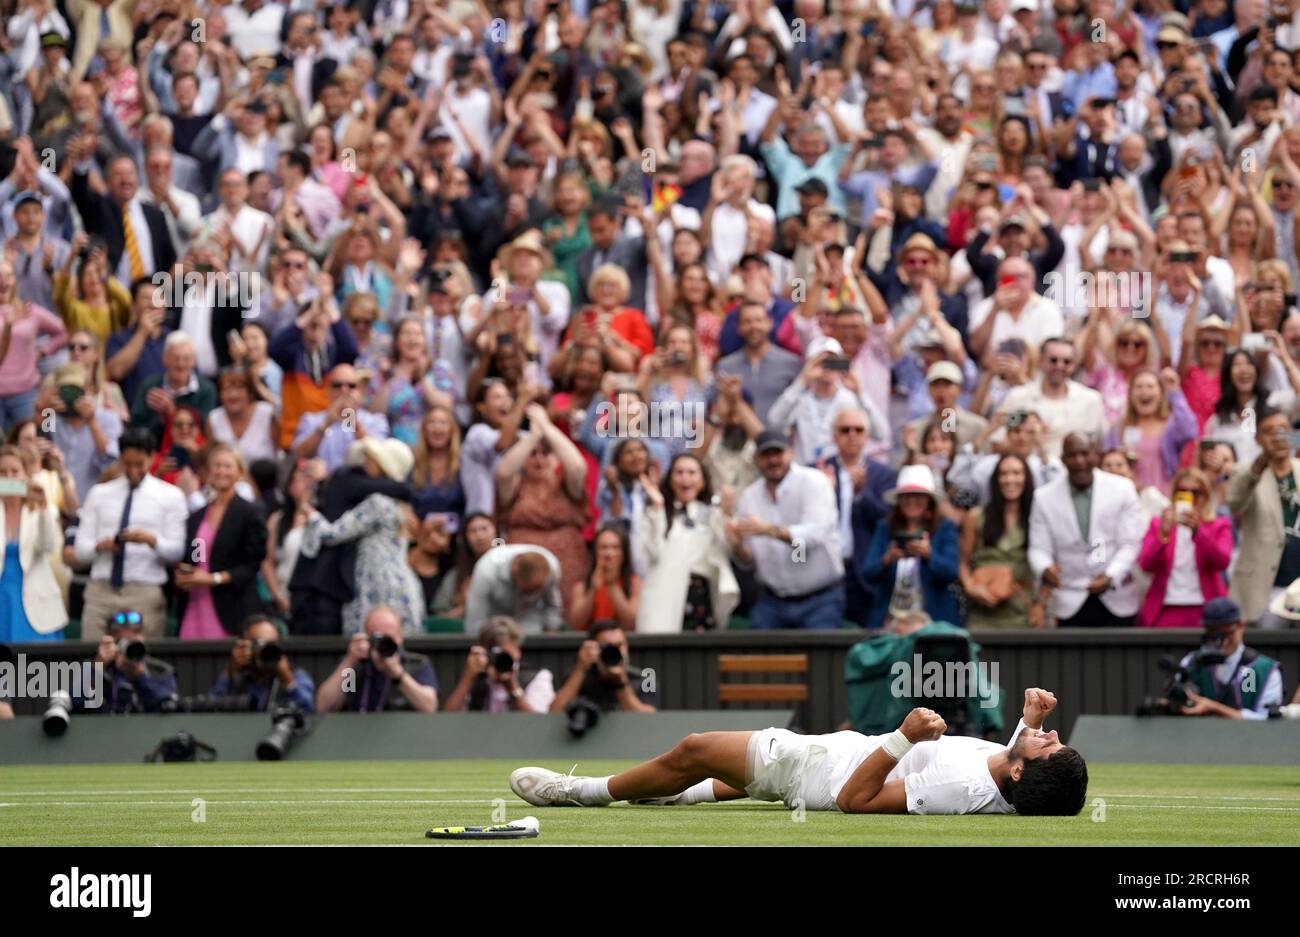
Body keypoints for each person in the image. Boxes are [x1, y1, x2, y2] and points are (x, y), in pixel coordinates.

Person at [511, 687, 1087, 817]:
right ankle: (679, 796)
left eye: (1049, 746)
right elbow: (1002, 767)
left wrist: (903, 736)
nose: (1052, 735)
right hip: (835, 752)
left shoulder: (957, 791)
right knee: (715, 774)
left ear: (1018, 772)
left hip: (821, 773)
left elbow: (853, 800)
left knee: (694, 747)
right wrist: (1026, 726)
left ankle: (581, 793)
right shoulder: (1009, 773)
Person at [300, 437, 425, 635]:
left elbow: (333, 534)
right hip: (399, 582)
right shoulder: (401, 504)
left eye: (372, 459)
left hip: (377, 585)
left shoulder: (378, 503)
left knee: (370, 643)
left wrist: (312, 515)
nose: (365, 463)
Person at [73, 427, 187, 639]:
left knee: (142, 659)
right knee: (93, 661)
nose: (133, 470)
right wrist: (101, 546)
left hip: (144, 590)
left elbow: (177, 552)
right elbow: (80, 550)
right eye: (127, 464)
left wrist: (152, 541)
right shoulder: (99, 494)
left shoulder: (171, 496)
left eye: (140, 464)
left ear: (152, 458)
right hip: (101, 589)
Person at [727, 429, 845, 630]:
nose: (773, 460)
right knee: (758, 658)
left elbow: (812, 536)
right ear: (756, 459)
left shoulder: (814, 482)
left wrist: (769, 530)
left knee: (820, 659)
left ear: (791, 452)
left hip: (820, 598)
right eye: (766, 455)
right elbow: (750, 561)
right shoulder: (750, 496)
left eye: (778, 453)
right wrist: (738, 545)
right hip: (773, 599)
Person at [1028, 433, 1143, 627]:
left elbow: (1129, 543)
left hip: (1117, 599)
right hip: (1069, 598)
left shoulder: (1122, 489)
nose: (1079, 461)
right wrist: (1045, 568)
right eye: (1072, 455)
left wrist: (1111, 575)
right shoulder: (1044, 497)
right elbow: (1039, 548)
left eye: (1084, 453)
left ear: (1096, 455)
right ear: (1063, 459)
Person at [494, 403, 590, 611]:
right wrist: (533, 437)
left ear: (555, 457)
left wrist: (546, 427)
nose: (539, 458)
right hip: (524, 566)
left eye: (545, 452)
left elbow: (577, 466)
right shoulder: (516, 486)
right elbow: (503, 472)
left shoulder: (566, 485)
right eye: (533, 454)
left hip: (568, 563)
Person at [637, 452, 739, 633]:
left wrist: (727, 514)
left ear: (702, 480)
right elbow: (654, 552)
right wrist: (657, 507)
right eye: (679, 472)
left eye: (692, 472)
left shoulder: (712, 514)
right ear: (670, 479)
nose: (685, 478)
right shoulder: (656, 511)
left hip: (701, 598)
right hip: (665, 598)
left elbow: (726, 550)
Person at [175, 444, 268, 638]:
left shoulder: (250, 513)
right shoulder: (198, 515)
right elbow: (196, 556)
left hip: (232, 604)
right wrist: (186, 575)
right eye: (216, 466)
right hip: (196, 602)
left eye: (227, 466)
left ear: (239, 472)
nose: (221, 471)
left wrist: (213, 579)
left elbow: (251, 565)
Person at [862, 464, 961, 631]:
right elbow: (868, 572)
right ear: (899, 500)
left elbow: (951, 571)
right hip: (890, 621)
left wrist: (929, 554)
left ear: (929, 501)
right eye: (906, 496)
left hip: (933, 619)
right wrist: (888, 559)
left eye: (918, 496)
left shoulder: (945, 528)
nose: (911, 501)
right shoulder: (885, 528)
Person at [1226, 406, 1300, 626]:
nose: (1278, 436)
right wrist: (1260, 463)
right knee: (1268, 652)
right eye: (1270, 431)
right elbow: (1235, 502)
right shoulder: (1246, 472)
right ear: (1258, 439)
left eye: (1283, 429)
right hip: (1265, 587)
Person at [1137, 468, 1233, 628]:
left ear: (1206, 496)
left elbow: (1222, 561)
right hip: (1166, 607)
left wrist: (1198, 533)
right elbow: (1145, 564)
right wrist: (1163, 535)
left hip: (1205, 608)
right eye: (1182, 492)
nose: (1190, 498)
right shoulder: (1159, 523)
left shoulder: (1219, 524)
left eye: (1195, 492)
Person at [1161, 598, 1286, 720]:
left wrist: (1215, 708)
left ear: (1241, 625)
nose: (1223, 642)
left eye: (1228, 634)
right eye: (1214, 635)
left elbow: (1267, 721)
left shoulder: (1259, 670)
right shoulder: (1192, 663)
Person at [959, 454, 1044, 629]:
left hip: (1021, 610)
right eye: (1004, 474)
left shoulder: (1038, 517)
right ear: (996, 479)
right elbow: (963, 562)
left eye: (1017, 473)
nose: (1010, 479)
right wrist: (970, 587)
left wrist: (1040, 604)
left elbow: (1051, 564)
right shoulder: (976, 516)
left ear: (1026, 478)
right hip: (982, 609)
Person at [315, 605, 440, 713]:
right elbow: (323, 707)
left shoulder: (415, 665)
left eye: (388, 639)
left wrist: (399, 675)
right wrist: (349, 661)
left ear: (400, 637)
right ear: (366, 637)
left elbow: (429, 708)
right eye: (378, 638)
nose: (382, 645)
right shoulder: (354, 669)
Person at [0, 444, 64, 641]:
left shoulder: (42, 510)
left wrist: (43, 507)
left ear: (26, 475)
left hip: (35, 597)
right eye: (2, 472)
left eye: (15, 471)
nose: (9, 477)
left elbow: (47, 546)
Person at [443, 615, 556, 712]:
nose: (501, 659)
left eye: (506, 654)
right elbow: (447, 721)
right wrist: (468, 678)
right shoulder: (477, 680)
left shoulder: (537, 677)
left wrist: (512, 687)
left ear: (518, 651)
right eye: (496, 653)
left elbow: (539, 724)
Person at [207, 615, 316, 713]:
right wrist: (230, 671)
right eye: (258, 644)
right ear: (243, 646)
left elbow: (308, 710)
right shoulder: (239, 677)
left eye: (271, 644)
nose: (264, 650)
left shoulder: (296, 675)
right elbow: (211, 708)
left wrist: (287, 681)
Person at [549, 620, 657, 715]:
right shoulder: (578, 677)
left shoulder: (646, 678)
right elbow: (554, 713)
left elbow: (648, 719)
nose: (616, 652)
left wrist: (621, 682)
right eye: (608, 646)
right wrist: (580, 669)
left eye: (620, 645)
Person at [85, 610, 179, 714]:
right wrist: (97, 669)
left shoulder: (160, 671)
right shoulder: (97, 667)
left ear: (142, 638)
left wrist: (140, 677)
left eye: (132, 640)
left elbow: (168, 707)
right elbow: (76, 704)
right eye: (123, 641)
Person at [463, 543, 565, 634]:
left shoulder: (551, 568)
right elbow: (475, 620)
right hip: (495, 628)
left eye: (539, 588)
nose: (533, 594)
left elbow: (552, 605)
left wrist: (550, 636)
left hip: (531, 629)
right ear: (514, 572)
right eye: (528, 591)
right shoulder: (486, 571)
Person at [570, 523, 641, 632]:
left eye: (615, 547)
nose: (609, 553)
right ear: (595, 552)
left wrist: (612, 586)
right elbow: (575, 625)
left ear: (624, 554)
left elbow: (631, 624)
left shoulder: (635, 584)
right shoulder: (581, 587)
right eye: (603, 547)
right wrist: (593, 591)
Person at [206, 368, 278, 464]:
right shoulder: (213, 418)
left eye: (239, 388)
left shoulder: (267, 413)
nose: (233, 395)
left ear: (250, 392)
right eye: (226, 389)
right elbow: (210, 459)